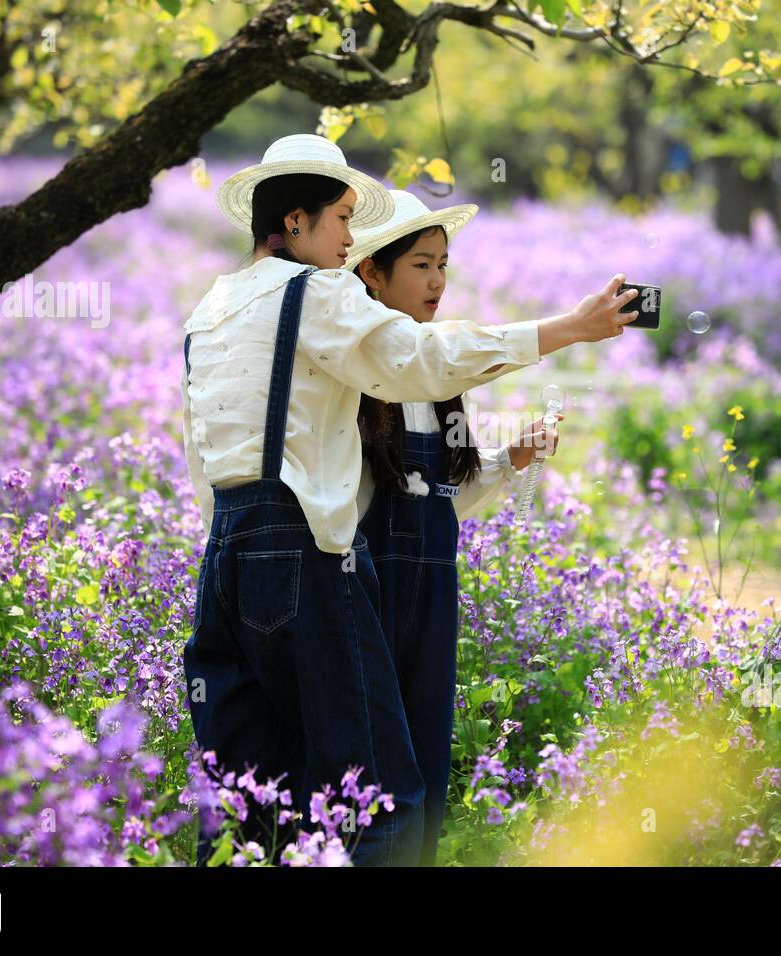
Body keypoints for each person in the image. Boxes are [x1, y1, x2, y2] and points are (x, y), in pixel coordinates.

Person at [181, 132, 638, 866]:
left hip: (227, 556)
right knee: (377, 798)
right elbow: (418, 361)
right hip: (309, 557)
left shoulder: (211, 306)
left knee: (246, 794)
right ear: (295, 220)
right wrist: (566, 330)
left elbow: (203, 448)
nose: (349, 239)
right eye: (341, 219)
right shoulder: (317, 289)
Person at [345, 189, 559, 865]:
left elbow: (441, 498)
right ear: (371, 274)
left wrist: (509, 459)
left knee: (426, 748)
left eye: (443, 265)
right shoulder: (348, 376)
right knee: (371, 755)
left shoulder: (441, 381)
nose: (438, 281)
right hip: (367, 585)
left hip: (434, 594)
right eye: (420, 265)